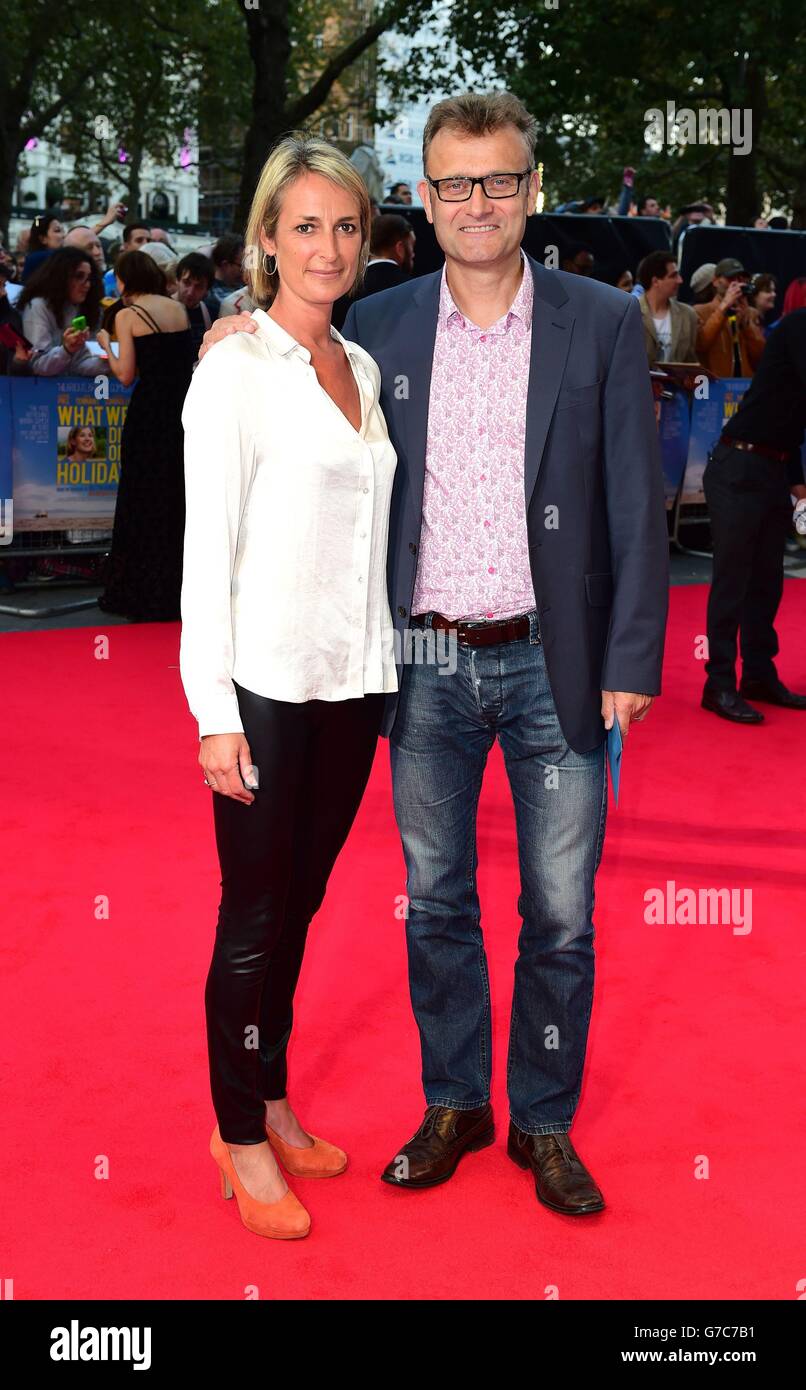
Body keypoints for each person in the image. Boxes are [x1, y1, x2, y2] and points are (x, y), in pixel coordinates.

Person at [202, 90, 669, 1216]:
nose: (477, 203)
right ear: (424, 193)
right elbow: (285, 354)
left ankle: (543, 1122)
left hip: (555, 660)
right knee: (437, 900)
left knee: (559, 911)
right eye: (454, 183)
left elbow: (634, 504)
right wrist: (233, 323)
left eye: (499, 181)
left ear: (531, 191)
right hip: (417, 665)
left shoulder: (598, 322)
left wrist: (631, 659)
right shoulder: (381, 330)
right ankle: (455, 1100)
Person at [181, 135, 397, 1240]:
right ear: (266, 239)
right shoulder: (232, 371)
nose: (326, 246)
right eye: (304, 225)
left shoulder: (356, 368)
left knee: (302, 908)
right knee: (255, 920)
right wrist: (213, 713)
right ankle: (239, 1134)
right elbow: (202, 553)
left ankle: (268, 1096)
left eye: (345, 226)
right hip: (263, 686)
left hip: (354, 682)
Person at [701, 309, 806, 722]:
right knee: (734, 580)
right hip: (738, 467)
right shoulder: (800, 326)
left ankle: (759, 673)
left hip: (774, 467)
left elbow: (792, 423)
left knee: (768, 580)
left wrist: (797, 487)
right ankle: (719, 683)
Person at [96, 249, 195, 620]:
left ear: (124, 280)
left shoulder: (127, 315)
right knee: (174, 496)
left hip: (148, 411)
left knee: (141, 495)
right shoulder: (177, 309)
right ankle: (175, 587)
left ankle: (139, 588)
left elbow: (124, 374)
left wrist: (107, 344)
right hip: (181, 409)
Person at [18, 247, 107, 376]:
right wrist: (66, 350)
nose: (87, 284)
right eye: (79, 276)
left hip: (78, 390)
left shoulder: (92, 307)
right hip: (42, 392)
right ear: (61, 277)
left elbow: (81, 364)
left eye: (89, 278)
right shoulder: (38, 306)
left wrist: (111, 360)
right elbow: (37, 365)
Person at [332, 212, 416, 329]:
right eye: (412, 246)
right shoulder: (415, 292)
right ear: (400, 249)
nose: (413, 254)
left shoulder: (344, 290)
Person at [695, 258, 766, 379]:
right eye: (731, 279)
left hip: (743, 387)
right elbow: (701, 345)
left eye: (740, 279)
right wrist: (723, 308)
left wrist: (746, 323)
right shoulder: (700, 311)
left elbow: (761, 357)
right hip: (714, 386)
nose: (736, 284)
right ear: (716, 281)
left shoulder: (751, 313)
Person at [636, 250, 698, 366]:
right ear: (655, 281)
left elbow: (690, 361)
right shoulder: (631, 311)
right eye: (673, 275)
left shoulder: (688, 314)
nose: (680, 280)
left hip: (674, 384)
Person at [174, 252, 215, 357]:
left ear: (207, 290)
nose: (190, 291)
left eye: (199, 286)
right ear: (177, 280)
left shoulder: (211, 313)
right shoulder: (160, 310)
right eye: (186, 283)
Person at [103, 223, 150, 295]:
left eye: (149, 240)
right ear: (126, 246)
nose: (146, 244)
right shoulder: (112, 276)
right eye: (139, 240)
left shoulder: (158, 273)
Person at [205, 234, 245, 313]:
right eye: (241, 266)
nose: (245, 270)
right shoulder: (211, 296)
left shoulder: (241, 285)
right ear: (225, 265)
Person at [22, 213, 65, 281]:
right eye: (57, 231)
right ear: (43, 239)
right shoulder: (40, 258)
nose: (63, 235)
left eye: (63, 231)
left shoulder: (31, 257)